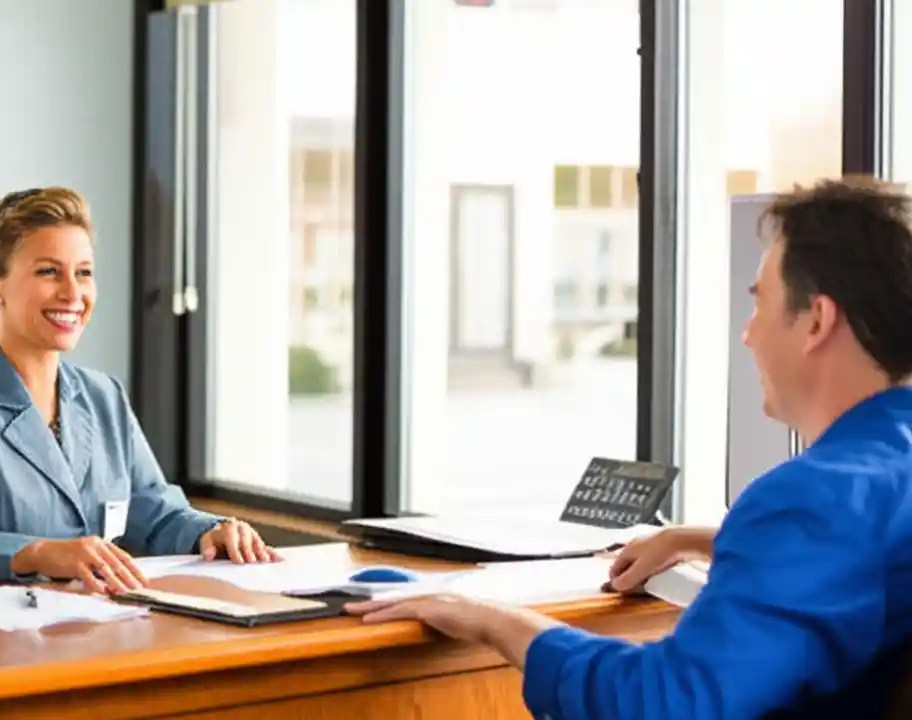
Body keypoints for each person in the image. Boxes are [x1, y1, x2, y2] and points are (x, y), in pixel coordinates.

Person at [347, 177, 912, 719]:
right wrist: (714, 540)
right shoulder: (874, 484)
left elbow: (661, 704)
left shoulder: (814, 497)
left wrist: (494, 620)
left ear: (815, 320)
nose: (748, 334)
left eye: (759, 302)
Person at [0, 187, 280, 593]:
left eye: (83, 272)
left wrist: (211, 531)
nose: (72, 293)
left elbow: (154, 513)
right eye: (49, 271)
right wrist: (34, 553)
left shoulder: (104, 396)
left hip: (101, 628)